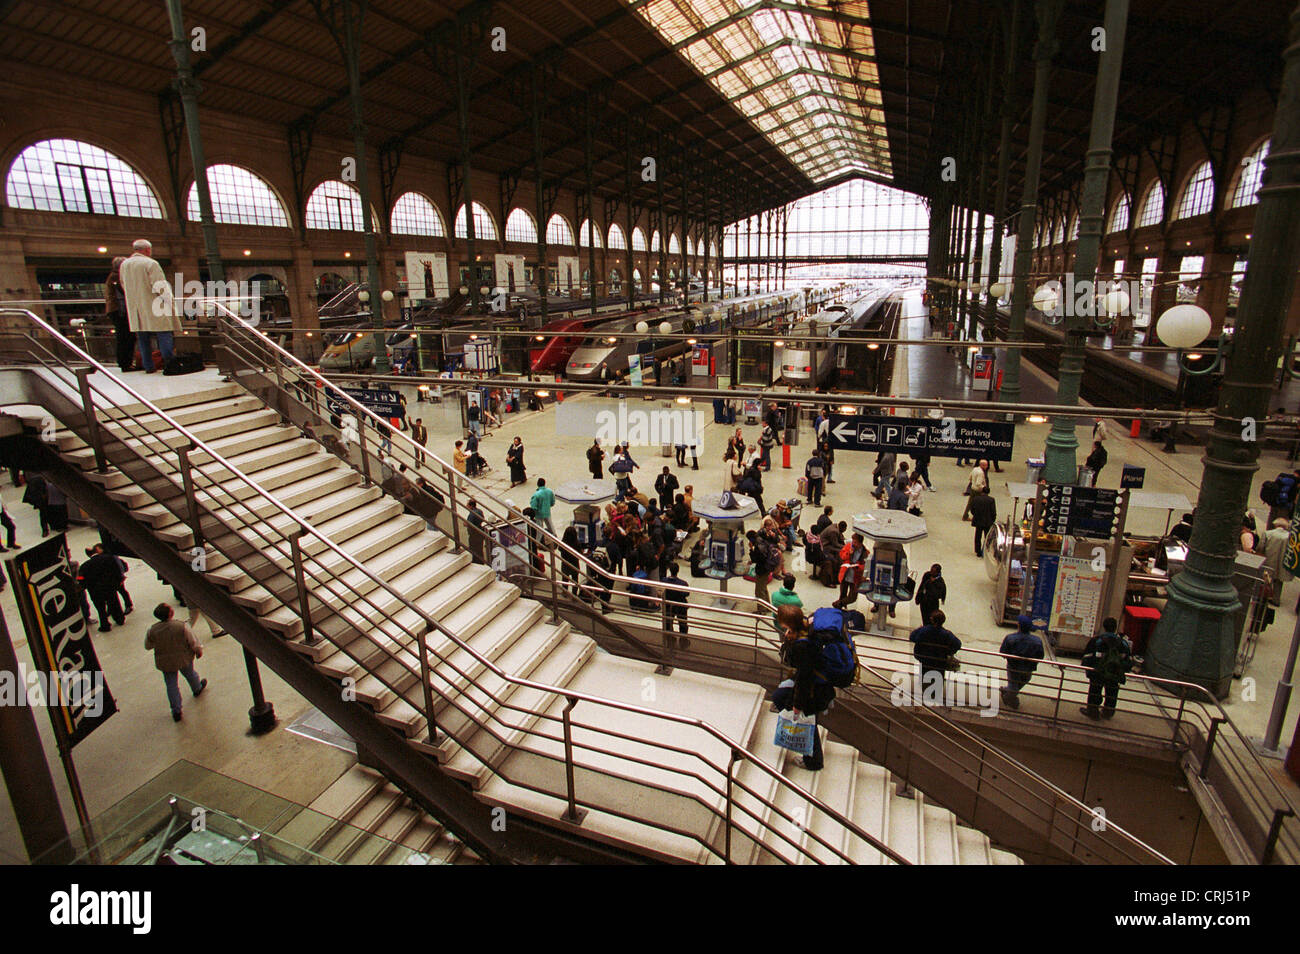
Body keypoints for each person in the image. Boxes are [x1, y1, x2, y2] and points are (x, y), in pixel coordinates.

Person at [770, 607, 834, 771]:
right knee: (781, 697)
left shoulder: (802, 647)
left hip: (813, 689)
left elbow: (804, 679)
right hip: (820, 683)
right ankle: (812, 757)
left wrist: (797, 706)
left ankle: (813, 761)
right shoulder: (807, 627)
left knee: (807, 720)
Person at [119, 239, 181, 372]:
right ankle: (169, 365)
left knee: (143, 337)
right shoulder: (151, 263)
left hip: (136, 307)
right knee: (164, 333)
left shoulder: (124, 265)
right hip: (155, 305)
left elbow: (123, 284)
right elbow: (160, 286)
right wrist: (170, 302)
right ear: (148, 250)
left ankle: (148, 366)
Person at [145, 603, 207, 722]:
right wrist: (198, 650)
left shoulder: (152, 630)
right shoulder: (181, 626)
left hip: (165, 661)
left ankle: (176, 710)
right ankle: (197, 688)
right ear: (170, 613)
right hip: (183, 657)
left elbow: (148, 645)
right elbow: (192, 640)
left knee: (171, 684)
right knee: (190, 674)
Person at [1080, 617, 1133, 719]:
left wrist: (1089, 671)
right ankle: (1108, 712)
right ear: (1115, 628)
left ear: (1104, 627)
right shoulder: (1123, 643)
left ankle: (1093, 712)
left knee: (1095, 691)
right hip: (1114, 673)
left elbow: (1087, 658)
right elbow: (1128, 661)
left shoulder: (1096, 641)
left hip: (1097, 673)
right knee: (1112, 692)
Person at [909, 610, 962, 700]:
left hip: (925, 659)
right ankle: (935, 695)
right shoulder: (946, 634)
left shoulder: (924, 630)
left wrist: (919, 628)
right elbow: (957, 644)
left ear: (932, 619)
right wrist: (949, 651)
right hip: (940, 660)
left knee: (925, 675)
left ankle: (925, 693)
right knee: (939, 676)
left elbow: (912, 637)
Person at [999, 615, 1045, 710]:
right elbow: (1040, 656)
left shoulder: (1010, 638)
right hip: (1028, 669)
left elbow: (1003, 652)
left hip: (1013, 667)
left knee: (1013, 686)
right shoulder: (1037, 641)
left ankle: (1008, 696)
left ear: (1018, 625)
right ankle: (1011, 698)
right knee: (1021, 682)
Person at [78, 545, 126, 632]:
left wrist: (85, 586)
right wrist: (118, 581)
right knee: (114, 602)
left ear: (89, 555)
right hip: (109, 586)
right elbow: (116, 570)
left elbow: (81, 580)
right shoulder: (108, 558)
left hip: (95, 591)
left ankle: (105, 625)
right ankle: (119, 619)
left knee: (100, 608)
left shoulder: (84, 566)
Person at [104, 256, 136, 372]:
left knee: (125, 337)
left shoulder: (114, 276)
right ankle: (125, 363)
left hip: (116, 311)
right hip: (120, 311)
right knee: (126, 337)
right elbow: (122, 294)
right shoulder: (116, 277)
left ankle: (125, 362)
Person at [1262, 517, 1295, 606]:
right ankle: (1276, 600)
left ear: (1276, 525)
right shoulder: (1289, 537)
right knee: (1279, 581)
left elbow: (1260, 547)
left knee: (1266, 579)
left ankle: (1264, 596)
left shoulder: (1268, 533)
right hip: (1282, 563)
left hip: (1269, 560)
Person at [835, 533, 868, 608]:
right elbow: (842, 556)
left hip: (855, 577)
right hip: (845, 574)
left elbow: (865, 566)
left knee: (853, 597)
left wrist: (858, 567)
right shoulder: (848, 546)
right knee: (842, 594)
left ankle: (838, 604)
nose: (853, 543)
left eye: (855, 542)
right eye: (853, 541)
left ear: (860, 543)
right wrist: (848, 553)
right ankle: (840, 608)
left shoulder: (865, 553)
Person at [661, 563, 690, 646]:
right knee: (683, 622)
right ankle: (683, 639)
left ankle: (670, 638)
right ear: (678, 571)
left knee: (668, 621)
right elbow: (686, 594)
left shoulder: (664, 581)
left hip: (668, 605)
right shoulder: (683, 583)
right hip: (680, 606)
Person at [969, 486, 997, 557]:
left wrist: (975, 515)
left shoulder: (976, 499)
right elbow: (993, 511)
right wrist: (992, 520)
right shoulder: (991, 500)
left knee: (978, 536)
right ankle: (986, 550)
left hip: (978, 520)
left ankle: (978, 551)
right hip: (988, 521)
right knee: (987, 536)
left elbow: (972, 509)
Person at [466, 498, 488, 565]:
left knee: (473, 549)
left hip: (474, 535)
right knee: (479, 549)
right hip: (480, 532)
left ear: (471, 506)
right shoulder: (480, 511)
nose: (466, 506)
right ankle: (480, 561)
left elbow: (469, 524)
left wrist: (465, 524)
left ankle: (475, 561)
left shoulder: (471, 514)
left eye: (467, 505)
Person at [560, 524, 581, 594]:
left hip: (565, 564)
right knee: (575, 579)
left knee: (565, 579)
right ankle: (574, 594)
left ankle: (564, 592)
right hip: (574, 564)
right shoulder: (577, 544)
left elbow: (560, 549)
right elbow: (580, 553)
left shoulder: (563, 543)